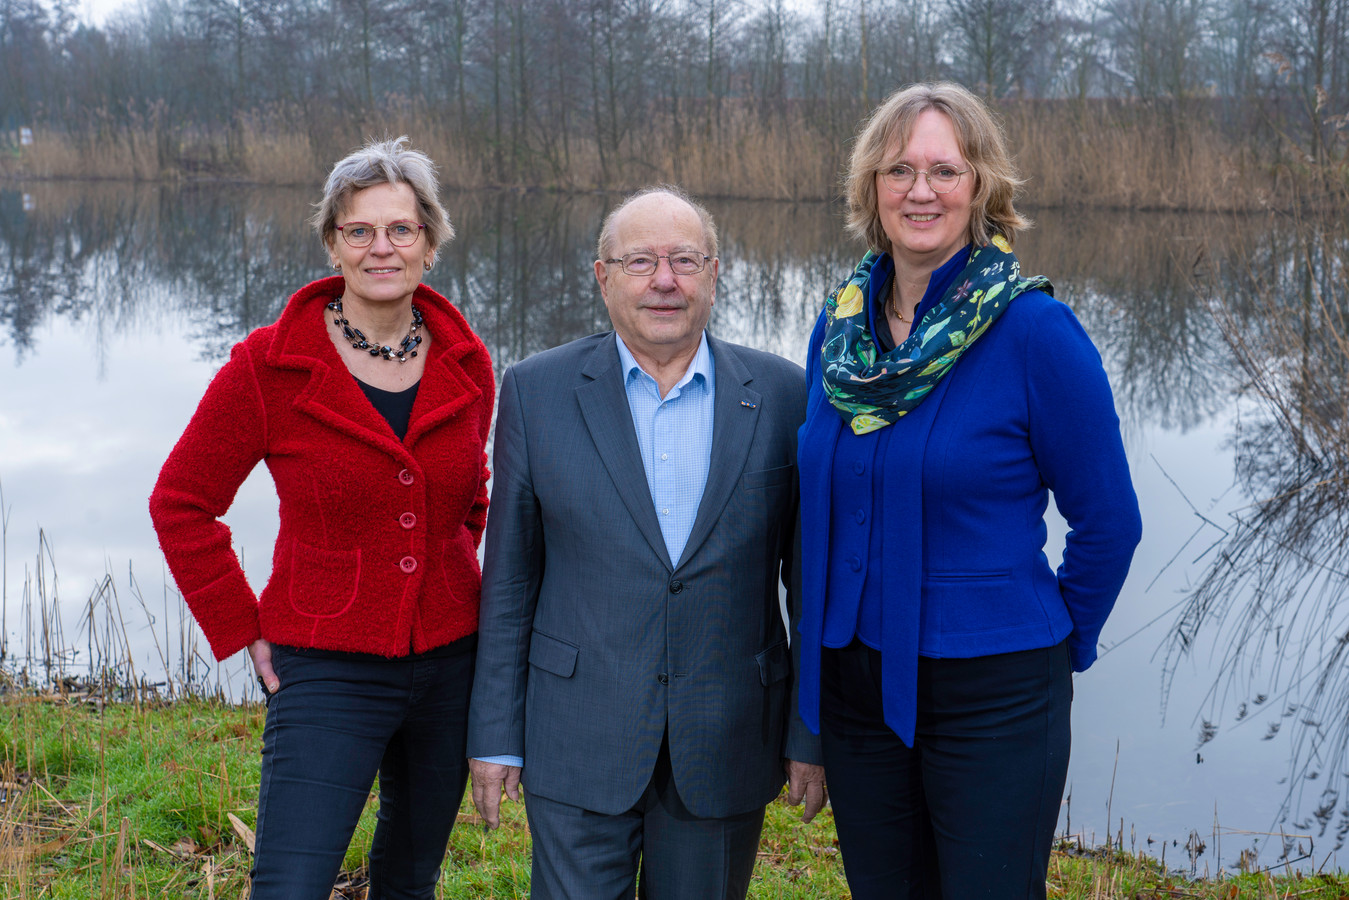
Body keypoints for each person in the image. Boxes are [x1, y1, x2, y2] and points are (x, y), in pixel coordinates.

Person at [797, 82, 1143, 898]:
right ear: (869, 189)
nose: (920, 191)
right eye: (898, 170)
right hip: (855, 686)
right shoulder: (838, 329)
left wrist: (1056, 647)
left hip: (993, 692)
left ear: (981, 186)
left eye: (944, 170)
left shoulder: (1032, 332)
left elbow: (1108, 523)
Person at [148, 136, 494, 900]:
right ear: (332, 242)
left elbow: (472, 497)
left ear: (429, 244)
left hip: (448, 663)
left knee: (411, 878)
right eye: (359, 230)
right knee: (291, 882)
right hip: (324, 661)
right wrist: (241, 623)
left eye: (401, 229)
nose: (382, 248)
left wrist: (444, 572)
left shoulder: (467, 363)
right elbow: (181, 502)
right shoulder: (266, 365)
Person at [466, 185, 825, 900]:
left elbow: (808, 590)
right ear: (602, 276)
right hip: (576, 737)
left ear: (715, 275)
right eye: (639, 262)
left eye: (685, 260)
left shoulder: (787, 395)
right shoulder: (536, 392)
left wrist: (807, 736)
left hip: (725, 739)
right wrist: (495, 736)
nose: (664, 280)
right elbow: (508, 582)